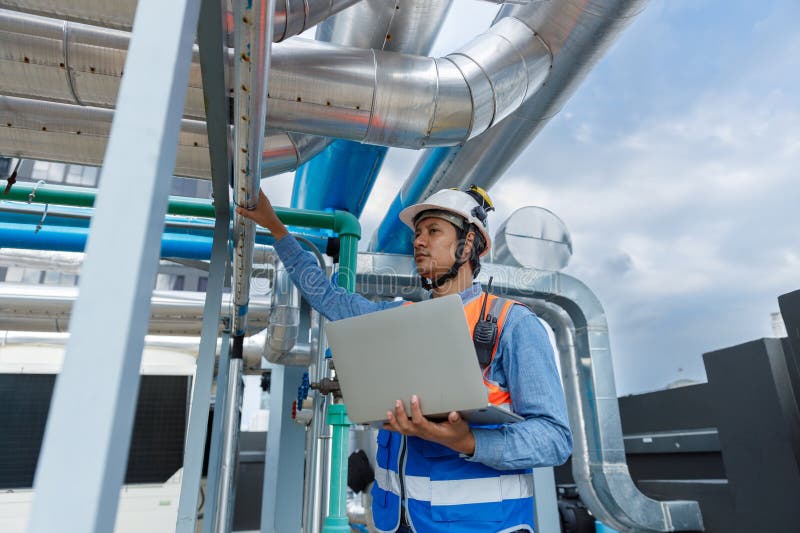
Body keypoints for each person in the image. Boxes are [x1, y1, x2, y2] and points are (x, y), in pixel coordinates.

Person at [237, 185, 572, 533]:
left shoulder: (512, 324)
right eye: (417, 233)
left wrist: (467, 441)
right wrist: (275, 227)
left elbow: (554, 439)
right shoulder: (398, 319)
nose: (418, 241)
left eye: (433, 231)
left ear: (468, 243)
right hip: (395, 525)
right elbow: (329, 298)